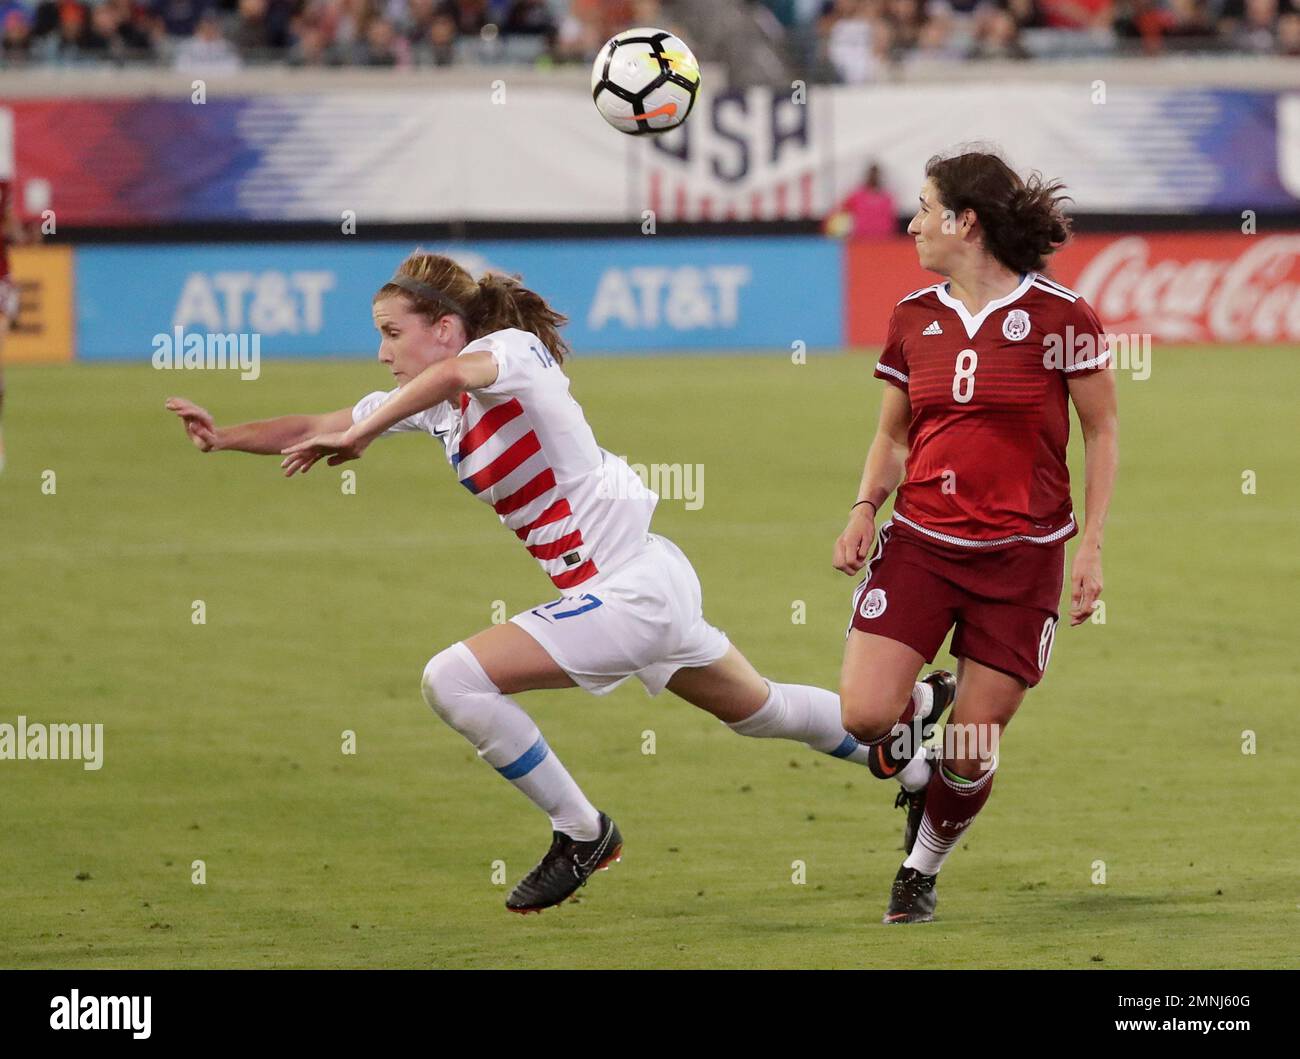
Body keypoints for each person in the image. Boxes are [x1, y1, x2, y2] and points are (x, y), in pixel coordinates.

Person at [167, 250, 953, 914]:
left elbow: (432, 387)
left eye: (391, 334)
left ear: (446, 328)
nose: (383, 353)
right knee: (763, 711)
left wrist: (366, 431)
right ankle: (916, 751)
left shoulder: (509, 355)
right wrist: (223, 436)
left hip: (630, 589)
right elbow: (317, 424)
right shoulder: (437, 402)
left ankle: (584, 832)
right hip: (638, 586)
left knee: (453, 680)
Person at [832, 148, 1118, 924]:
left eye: (925, 207)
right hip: (922, 541)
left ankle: (919, 869)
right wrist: (864, 506)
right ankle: (923, 699)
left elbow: (1102, 428)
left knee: (971, 748)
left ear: (966, 222)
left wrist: (1089, 547)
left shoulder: (1062, 318)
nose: (913, 222)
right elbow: (892, 436)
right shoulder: (912, 317)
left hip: (1023, 561)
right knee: (862, 715)